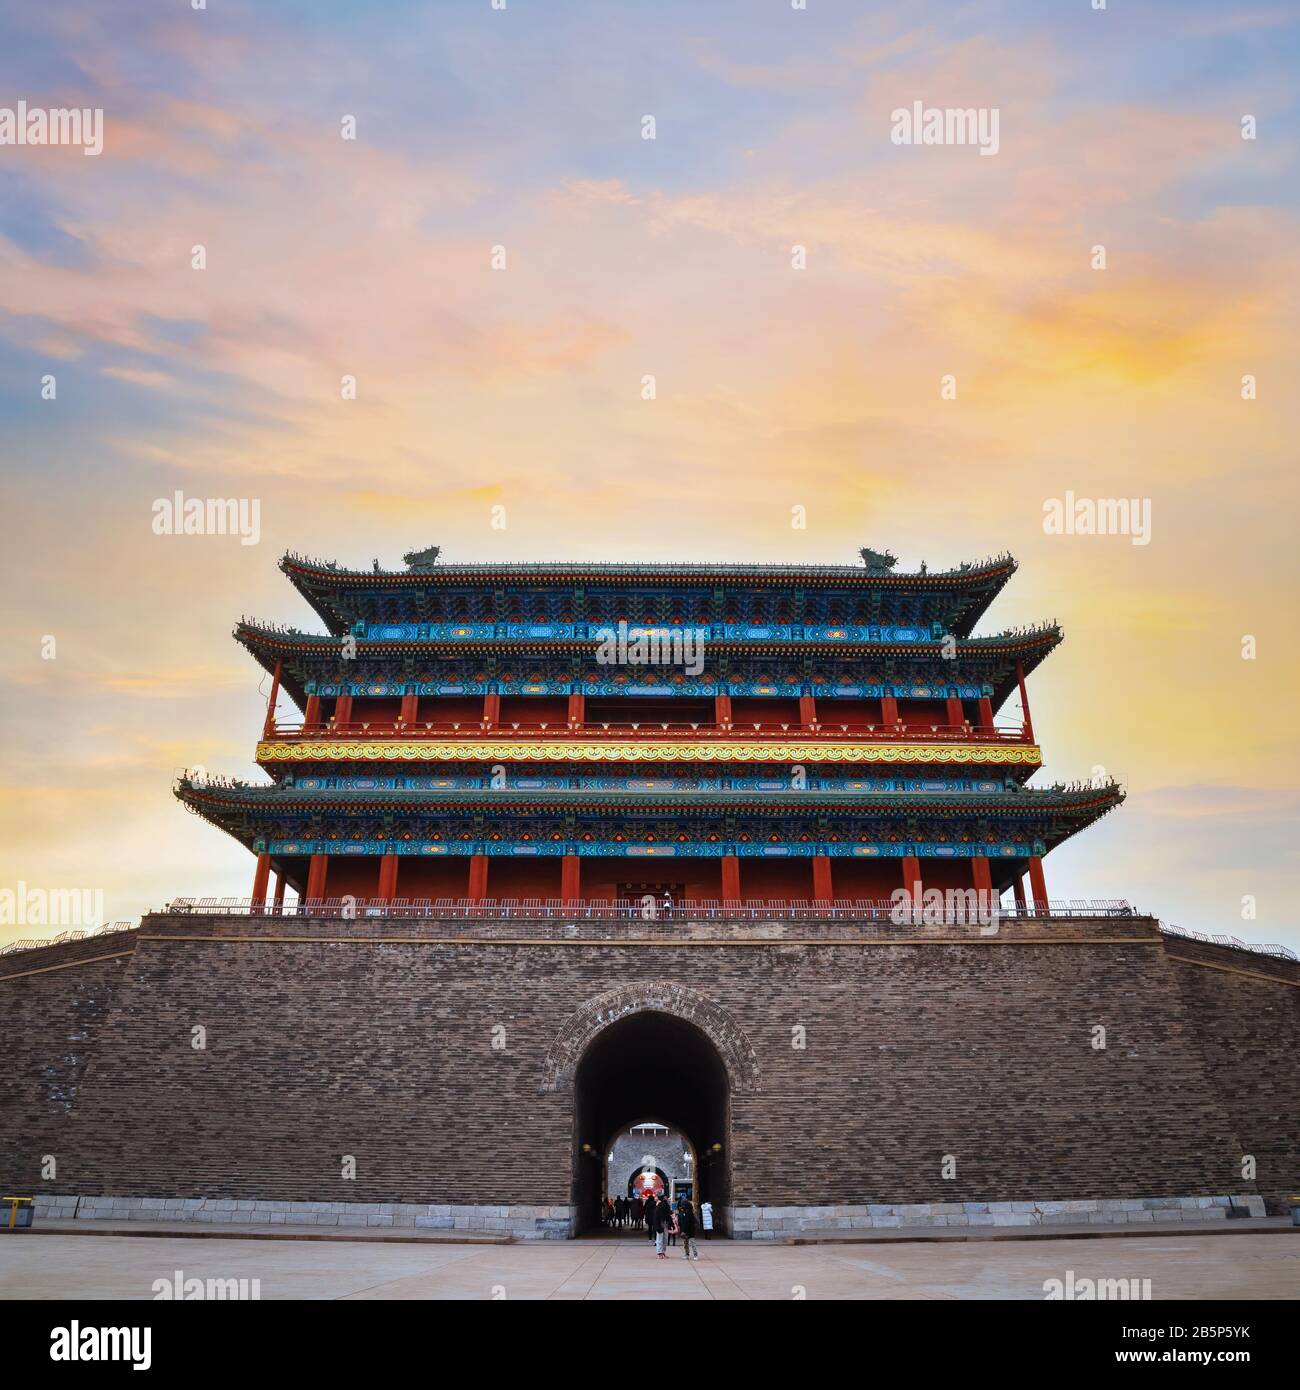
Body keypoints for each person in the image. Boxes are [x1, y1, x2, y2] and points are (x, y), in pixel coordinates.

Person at [677, 1196, 700, 1260]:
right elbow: (680, 1223)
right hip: (685, 1231)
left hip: (690, 1231)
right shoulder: (682, 1213)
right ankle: (687, 1254)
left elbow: (692, 1222)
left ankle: (695, 1255)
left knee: (692, 1243)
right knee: (686, 1244)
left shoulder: (690, 1213)